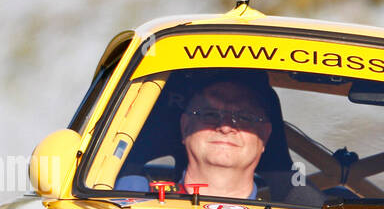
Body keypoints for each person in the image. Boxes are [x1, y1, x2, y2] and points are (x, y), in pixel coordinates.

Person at [114, 70, 277, 199]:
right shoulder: (130, 198)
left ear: (265, 134)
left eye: (244, 118)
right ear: (185, 126)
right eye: (210, 114)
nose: (225, 127)